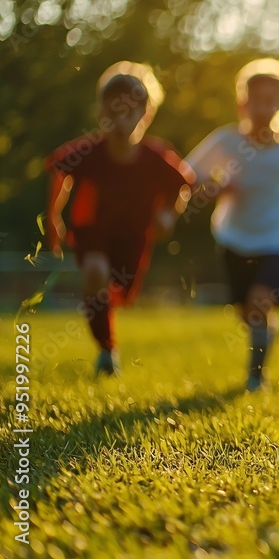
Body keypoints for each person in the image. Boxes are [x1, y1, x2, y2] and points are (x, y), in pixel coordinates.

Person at [185, 59, 279, 392]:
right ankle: (266, 334)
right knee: (247, 310)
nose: (263, 107)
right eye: (255, 99)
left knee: (260, 301)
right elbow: (189, 174)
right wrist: (214, 188)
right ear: (242, 103)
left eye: (271, 99)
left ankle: (255, 378)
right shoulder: (226, 142)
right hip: (233, 237)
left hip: (277, 241)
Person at [45, 62, 194, 377]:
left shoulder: (156, 157)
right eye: (114, 109)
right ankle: (106, 350)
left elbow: (183, 184)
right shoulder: (89, 152)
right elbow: (59, 171)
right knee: (97, 273)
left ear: (146, 113)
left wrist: (169, 214)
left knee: (119, 294)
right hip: (92, 230)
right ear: (102, 112)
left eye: (131, 109)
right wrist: (53, 217)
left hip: (134, 236)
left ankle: (98, 314)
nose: (121, 118)